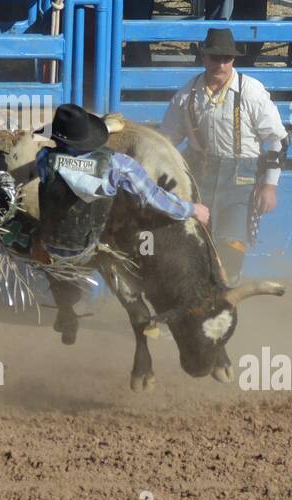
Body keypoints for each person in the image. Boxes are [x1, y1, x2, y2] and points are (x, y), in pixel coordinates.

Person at [33, 103, 209, 344]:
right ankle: (142, 315)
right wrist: (191, 209)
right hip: (91, 248)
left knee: (37, 234)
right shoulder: (118, 164)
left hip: (52, 246)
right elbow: (153, 197)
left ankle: (66, 312)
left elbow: (70, 163)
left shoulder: (43, 158)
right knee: (120, 235)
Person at [160, 29, 288, 288]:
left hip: (241, 177)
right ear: (204, 58)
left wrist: (270, 185)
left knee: (232, 247)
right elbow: (167, 141)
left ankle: (222, 303)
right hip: (198, 176)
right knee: (193, 247)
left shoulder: (251, 91)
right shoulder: (188, 94)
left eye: (226, 58)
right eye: (215, 57)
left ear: (233, 60)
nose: (220, 64)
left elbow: (278, 139)